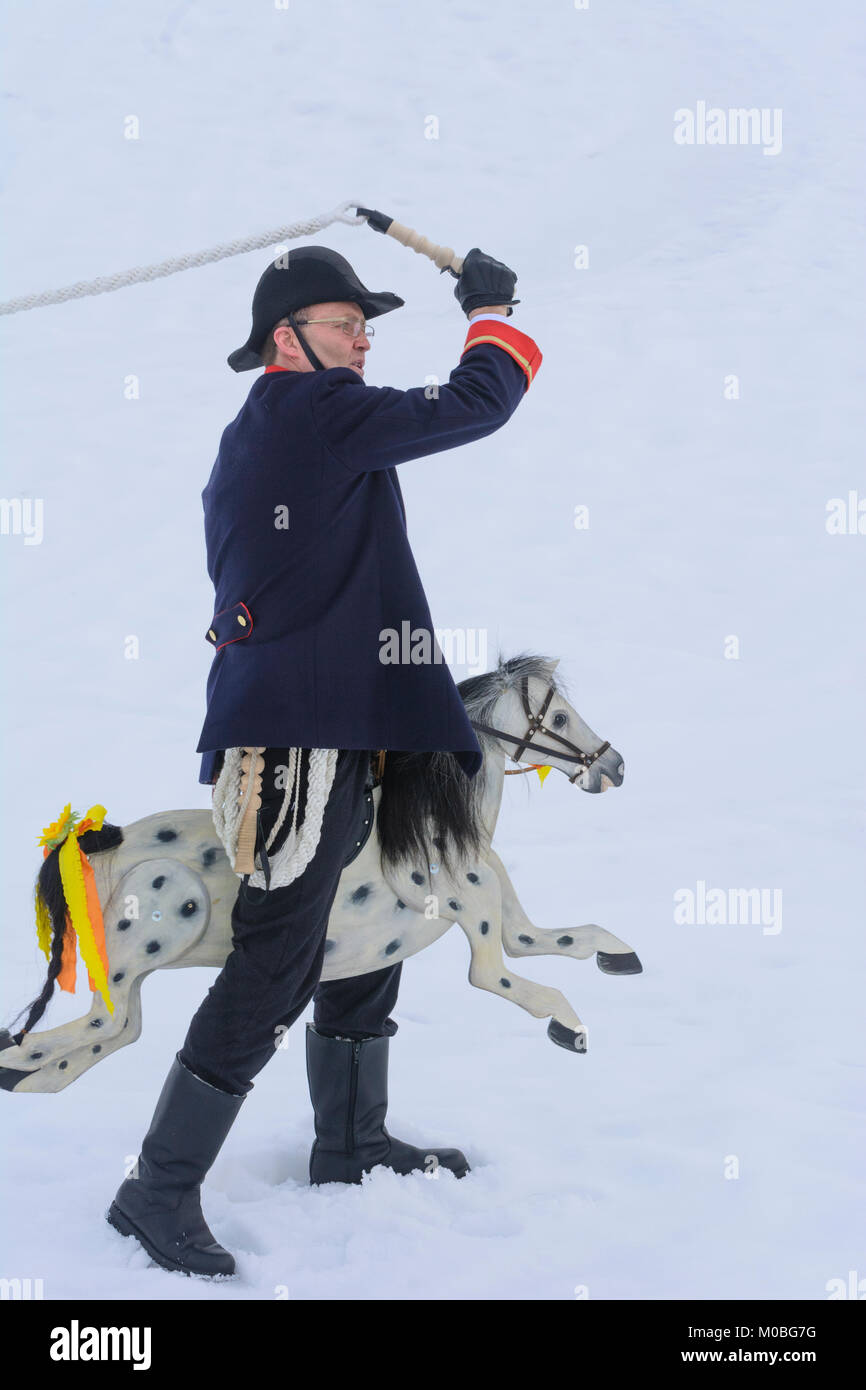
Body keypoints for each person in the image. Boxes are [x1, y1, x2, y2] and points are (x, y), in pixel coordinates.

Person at [107, 243, 542, 1277]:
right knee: (276, 962)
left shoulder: (294, 424)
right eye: (345, 325)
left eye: (364, 328)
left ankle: (349, 1139)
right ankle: (154, 1191)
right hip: (302, 738)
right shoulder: (308, 412)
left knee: (373, 920)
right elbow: (474, 403)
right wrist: (491, 310)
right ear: (285, 339)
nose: (361, 343)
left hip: (346, 719)